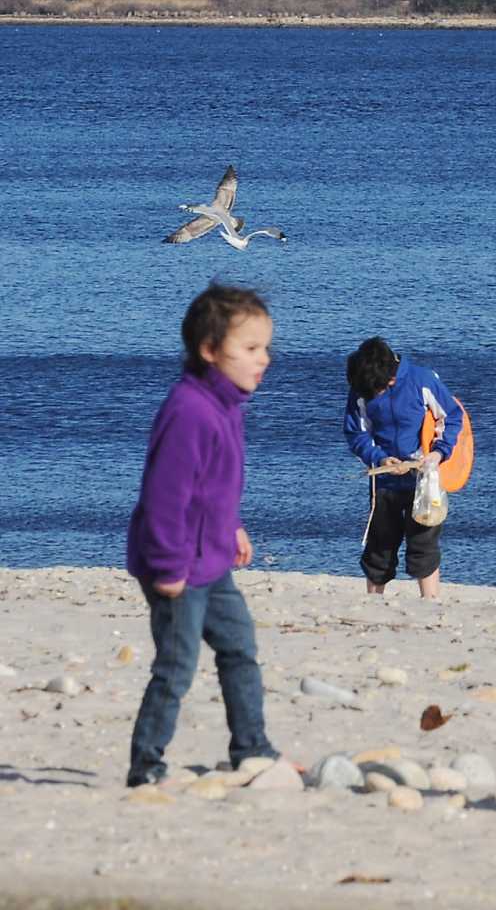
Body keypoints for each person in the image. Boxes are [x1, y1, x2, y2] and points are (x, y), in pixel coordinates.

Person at [125, 282, 283, 787]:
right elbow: (165, 498)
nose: (265, 360)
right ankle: (146, 764)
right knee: (176, 665)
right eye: (251, 349)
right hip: (177, 567)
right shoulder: (189, 410)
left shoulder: (227, 404)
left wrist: (231, 525)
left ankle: (251, 748)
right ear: (210, 351)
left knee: (239, 647)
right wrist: (169, 569)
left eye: (265, 348)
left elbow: (210, 486)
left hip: (211, 560)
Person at [344, 336, 466, 600]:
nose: (371, 395)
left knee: (424, 544)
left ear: (390, 379)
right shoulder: (362, 386)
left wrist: (438, 453)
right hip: (384, 481)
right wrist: (379, 458)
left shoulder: (422, 380)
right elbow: (356, 433)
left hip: (424, 479)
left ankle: (430, 602)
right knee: (379, 546)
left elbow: (453, 416)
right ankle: (373, 601)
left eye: (376, 390)